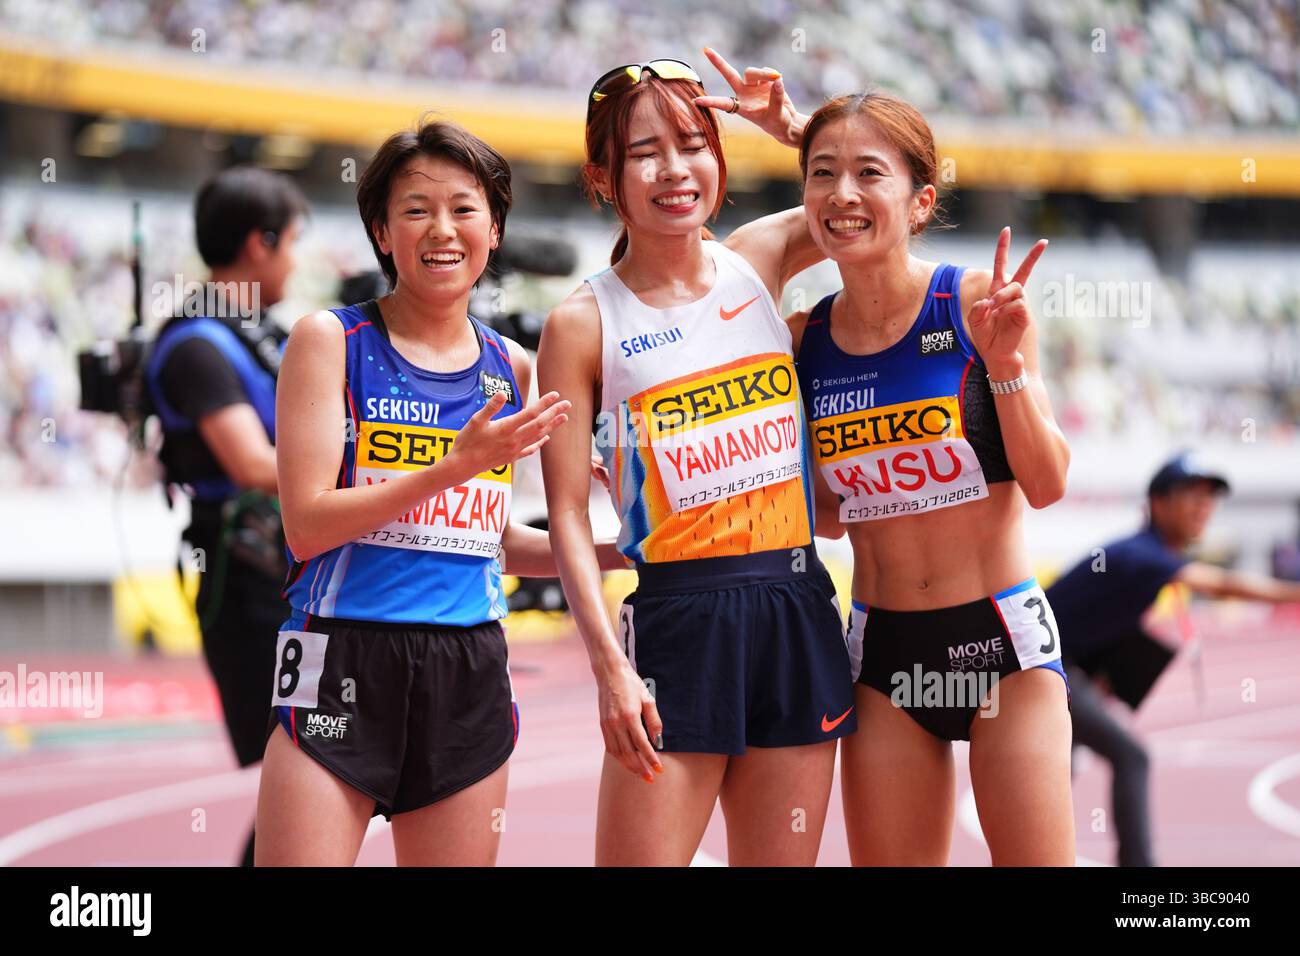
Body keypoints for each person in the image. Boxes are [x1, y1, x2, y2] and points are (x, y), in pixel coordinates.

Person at [255, 118, 619, 866]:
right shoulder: (331, 341)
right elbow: (307, 526)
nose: (442, 229)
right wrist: (453, 466)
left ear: (493, 229)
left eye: (464, 208)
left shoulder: (511, 366)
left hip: (468, 666)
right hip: (340, 655)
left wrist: (618, 551)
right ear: (383, 233)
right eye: (416, 209)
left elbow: (490, 541)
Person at [538, 52, 854, 867]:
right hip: (677, 625)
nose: (675, 170)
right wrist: (610, 668)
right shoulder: (582, 322)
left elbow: (877, 195)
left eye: (692, 143)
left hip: (795, 607)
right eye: (645, 153)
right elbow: (569, 511)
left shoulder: (762, 257)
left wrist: (792, 130)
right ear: (602, 177)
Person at [789, 91, 1074, 865]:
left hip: (999, 641)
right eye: (821, 174)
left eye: (867, 174)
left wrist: (1007, 367)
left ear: (920, 202)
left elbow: (1046, 484)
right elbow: (829, 517)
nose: (842, 194)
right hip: (884, 653)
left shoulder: (979, 303)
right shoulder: (800, 340)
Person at [143, 165, 307, 867]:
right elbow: (249, 463)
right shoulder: (198, 345)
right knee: (304, 758)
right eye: (292, 242)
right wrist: (387, 483)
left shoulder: (251, 331)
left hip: (280, 567)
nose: (297, 260)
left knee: (310, 763)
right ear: (258, 243)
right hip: (243, 578)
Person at [1048, 452, 1300, 867]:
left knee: (1058, 771)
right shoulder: (1144, 556)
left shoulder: (1140, 555)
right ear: (1158, 504)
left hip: (1062, 669)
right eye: (1190, 495)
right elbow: (1223, 584)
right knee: (1131, 755)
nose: (1203, 507)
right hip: (1045, 670)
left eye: (1209, 498)